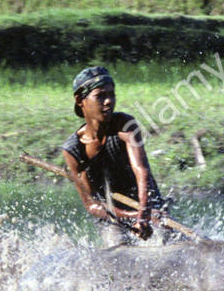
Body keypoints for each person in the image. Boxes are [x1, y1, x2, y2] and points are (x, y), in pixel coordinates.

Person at [61, 66, 162, 243]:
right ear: (80, 100)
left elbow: (142, 171)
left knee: (164, 239)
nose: (109, 101)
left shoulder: (124, 125)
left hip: (148, 205)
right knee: (117, 245)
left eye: (111, 94)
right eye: (100, 96)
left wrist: (144, 213)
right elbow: (92, 204)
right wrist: (132, 216)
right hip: (112, 215)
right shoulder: (74, 150)